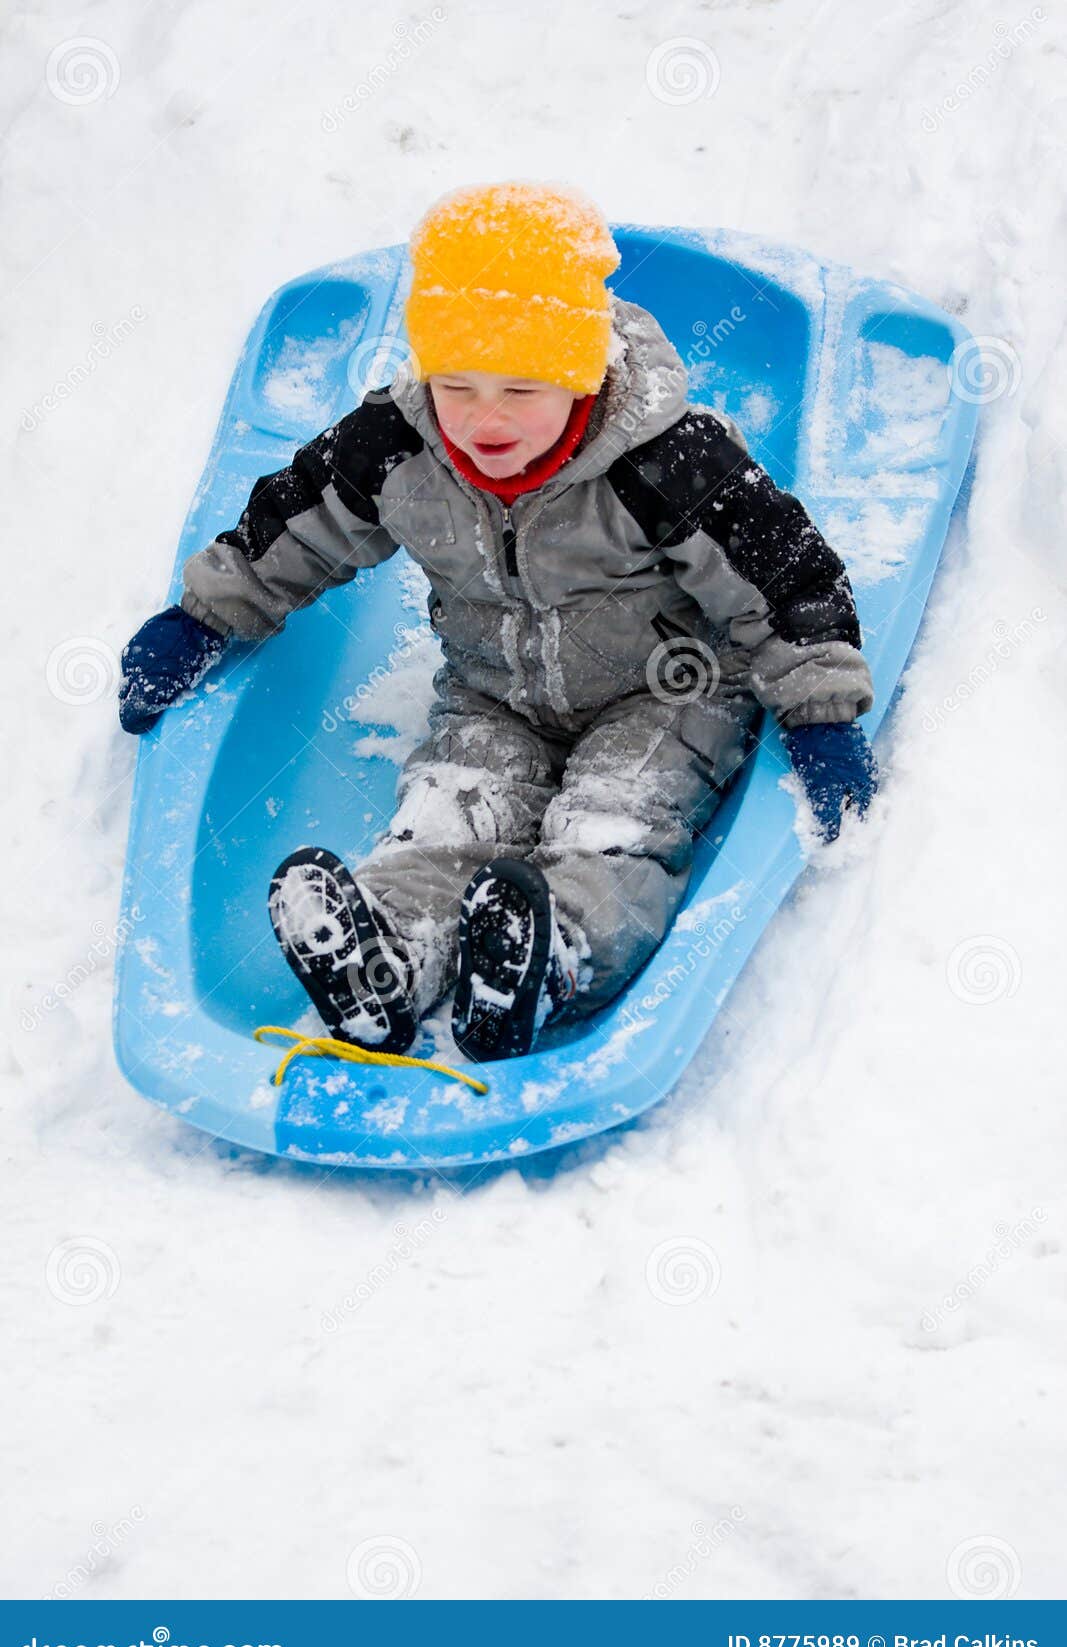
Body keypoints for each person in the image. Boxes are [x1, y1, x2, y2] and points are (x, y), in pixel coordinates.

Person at [118, 180, 878, 1063]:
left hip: (666, 693)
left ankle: (552, 952)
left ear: (582, 373)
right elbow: (298, 519)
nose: (483, 419)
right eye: (457, 384)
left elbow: (784, 576)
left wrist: (820, 713)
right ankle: (392, 957)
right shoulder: (400, 446)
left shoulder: (668, 459)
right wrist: (207, 617)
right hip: (492, 695)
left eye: (522, 388)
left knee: (618, 818)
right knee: (447, 811)